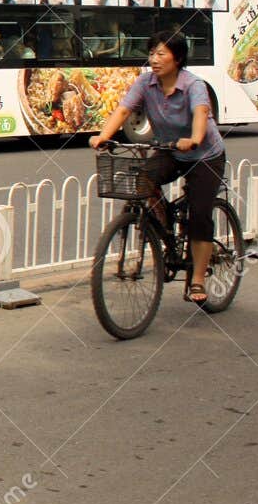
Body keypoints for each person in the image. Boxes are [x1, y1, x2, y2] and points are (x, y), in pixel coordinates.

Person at [91, 31, 226, 304]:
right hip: (170, 150)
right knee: (142, 182)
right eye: (152, 53)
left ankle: (198, 279)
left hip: (204, 156)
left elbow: (201, 113)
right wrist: (104, 135)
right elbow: (123, 110)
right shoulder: (145, 82)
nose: (154, 59)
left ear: (177, 58)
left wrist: (195, 139)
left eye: (161, 54)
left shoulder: (193, 85)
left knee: (199, 215)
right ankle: (163, 229)